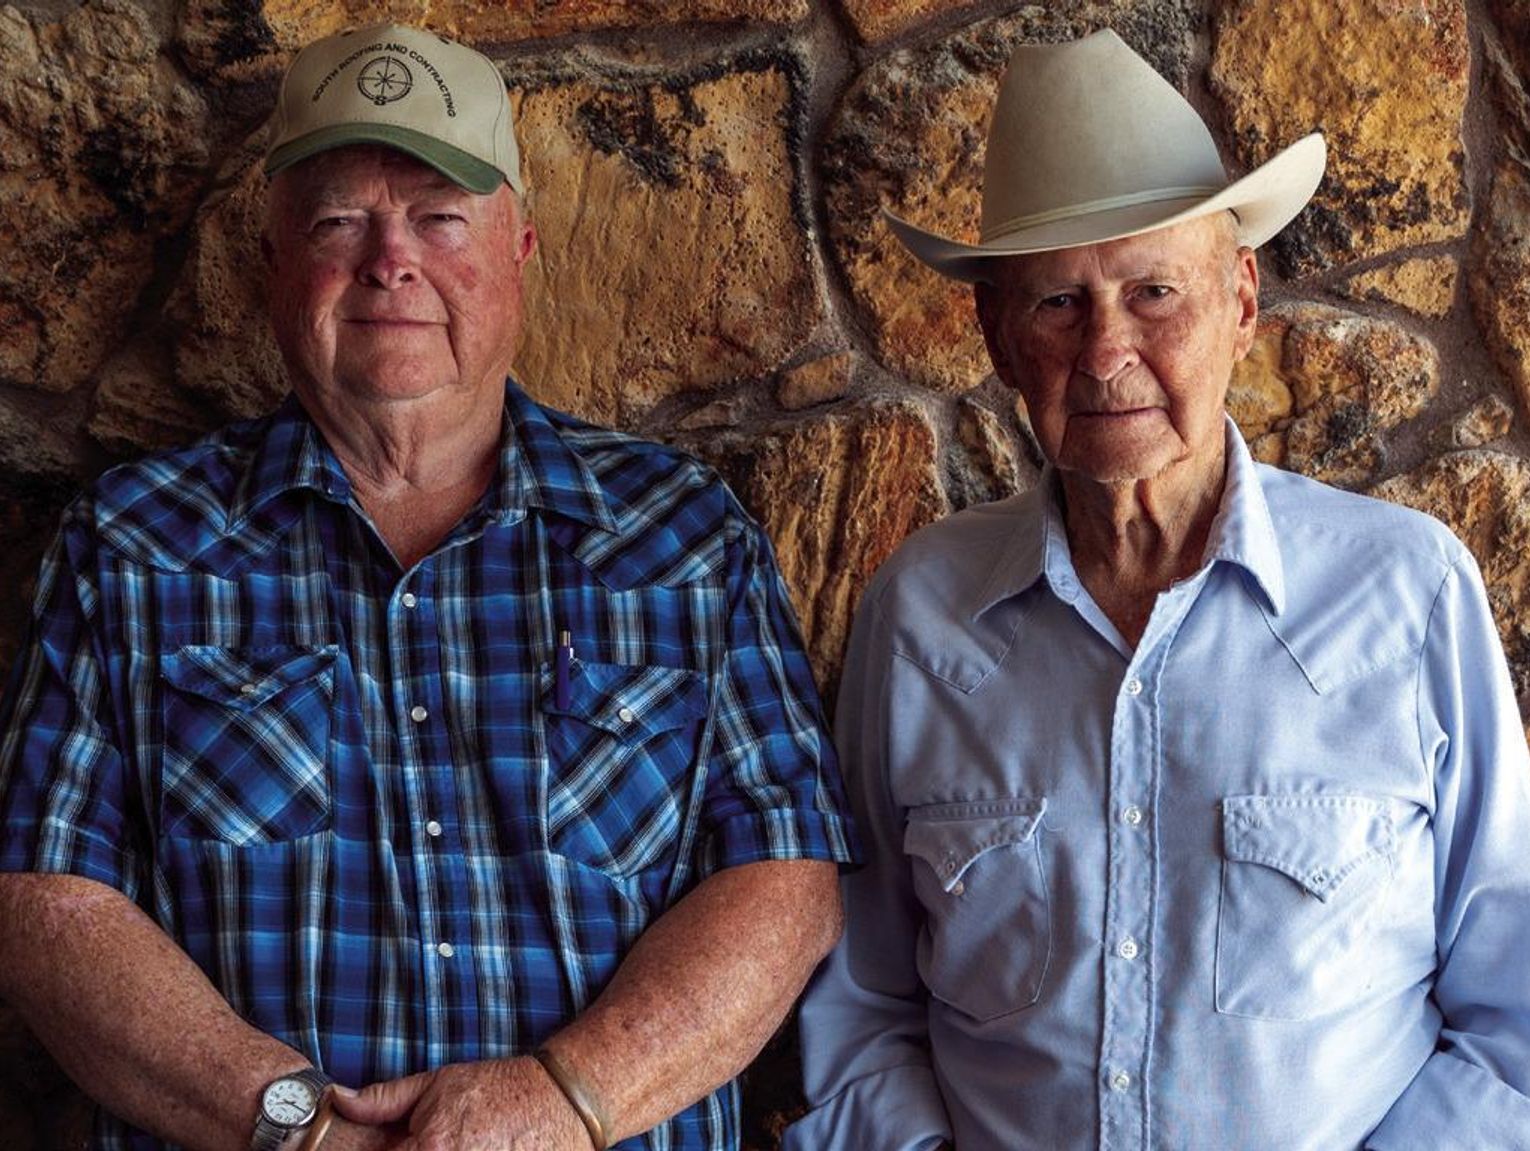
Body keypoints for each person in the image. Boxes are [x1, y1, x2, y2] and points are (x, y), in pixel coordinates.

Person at [0, 21, 855, 1151]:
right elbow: (43, 895)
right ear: (274, 263)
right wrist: (291, 1122)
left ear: (521, 252)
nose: (389, 258)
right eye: (338, 219)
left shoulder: (686, 540)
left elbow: (785, 875)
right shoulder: (131, 546)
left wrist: (561, 1098)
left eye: (439, 217)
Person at [784, 28, 1530, 1151]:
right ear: (994, 334)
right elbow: (860, 1008)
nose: (1105, 352)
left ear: (1240, 300)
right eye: (1055, 305)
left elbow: (1515, 1008)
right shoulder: (920, 611)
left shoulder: (1407, 592)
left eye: (1154, 291)